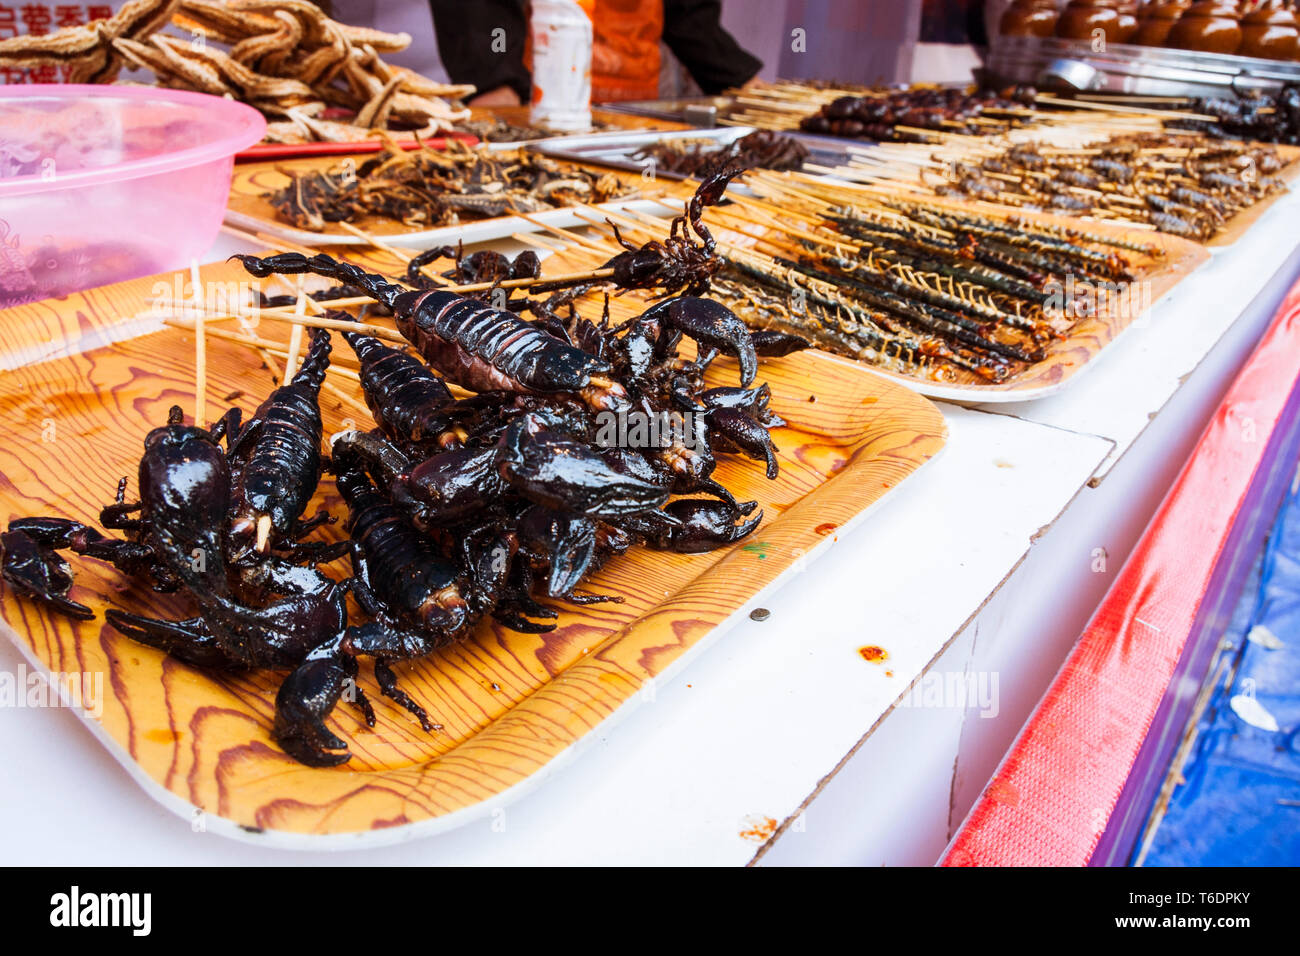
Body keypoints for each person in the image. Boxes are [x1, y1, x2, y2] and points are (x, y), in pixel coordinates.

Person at [429, 0, 762, 106]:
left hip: (637, 110)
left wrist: (736, 75)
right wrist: (491, 79)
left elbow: (688, 13)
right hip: (534, 101)